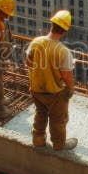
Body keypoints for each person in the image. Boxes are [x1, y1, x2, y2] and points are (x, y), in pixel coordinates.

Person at [25, 10, 77, 151]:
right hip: (54, 92)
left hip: (36, 89)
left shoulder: (36, 42)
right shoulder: (63, 51)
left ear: (52, 24)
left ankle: (38, 140)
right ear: (65, 30)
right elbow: (66, 75)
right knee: (58, 119)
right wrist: (71, 89)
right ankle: (59, 144)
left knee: (40, 114)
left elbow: (28, 62)